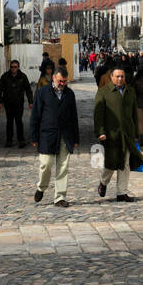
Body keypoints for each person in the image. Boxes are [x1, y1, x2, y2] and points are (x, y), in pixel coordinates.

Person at [30, 68, 80, 207]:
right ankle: (41, 187)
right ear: (53, 78)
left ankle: (60, 197)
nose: (63, 83)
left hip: (65, 135)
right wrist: (33, 136)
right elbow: (35, 115)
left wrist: (76, 138)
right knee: (46, 164)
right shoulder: (42, 92)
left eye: (65, 81)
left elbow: (73, 117)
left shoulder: (69, 94)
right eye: (60, 81)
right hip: (47, 134)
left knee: (63, 166)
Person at [94, 65, 143, 202]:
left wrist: (135, 133)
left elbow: (134, 113)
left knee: (125, 163)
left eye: (122, 76)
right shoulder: (103, 92)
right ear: (111, 77)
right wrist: (100, 131)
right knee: (111, 164)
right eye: (117, 76)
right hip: (111, 134)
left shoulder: (130, 92)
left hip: (127, 133)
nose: (120, 79)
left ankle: (121, 192)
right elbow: (98, 114)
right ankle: (103, 182)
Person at [0, 59, 33, 148]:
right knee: (9, 122)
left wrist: (30, 101)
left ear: (18, 67)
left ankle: (21, 140)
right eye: (12, 67)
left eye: (15, 67)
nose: (13, 69)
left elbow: (28, 90)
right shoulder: (5, 77)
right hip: (8, 103)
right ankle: (9, 140)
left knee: (19, 121)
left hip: (19, 103)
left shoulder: (23, 77)